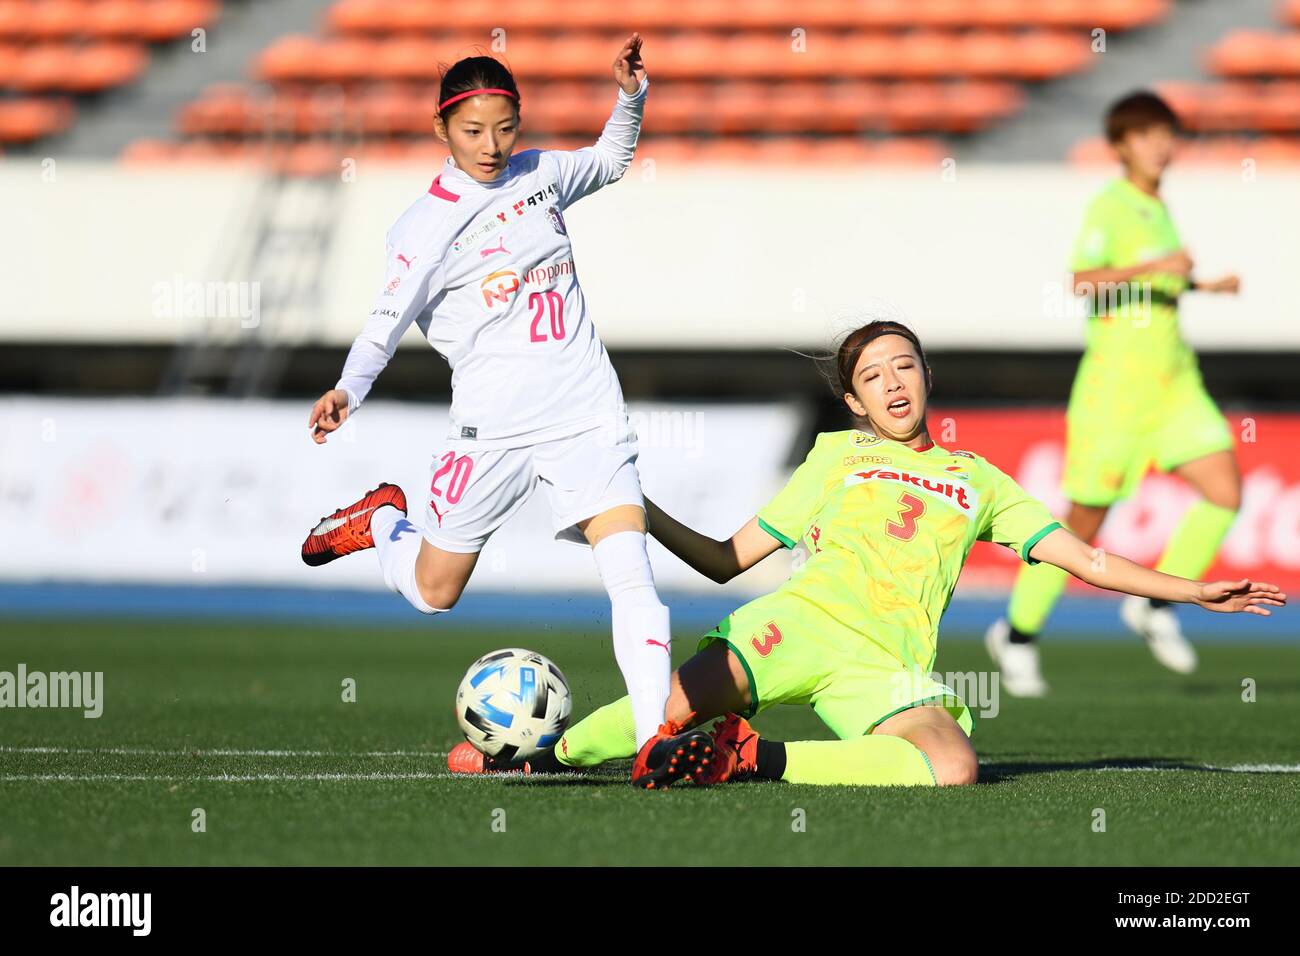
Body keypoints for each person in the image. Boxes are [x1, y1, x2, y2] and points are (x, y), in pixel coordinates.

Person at [450, 320, 1284, 788]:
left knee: (954, 765)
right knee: (661, 715)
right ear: (853, 400)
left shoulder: (980, 479)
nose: (894, 383)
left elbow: (1089, 560)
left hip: (886, 665)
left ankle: (755, 757)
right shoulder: (835, 456)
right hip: (796, 627)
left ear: (926, 376)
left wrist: (1190, 591)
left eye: (905, 365)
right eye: (874, 375)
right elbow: (724, 560)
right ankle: (535, 753)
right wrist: (641, 511)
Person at [300, 36, 677, 762]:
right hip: (492, 431)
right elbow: (386, 324)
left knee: (631, 574)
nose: (493, 145)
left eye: (506, 127)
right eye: (474, 130)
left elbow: (610, 159)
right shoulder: (423, 228)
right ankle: (382, 519)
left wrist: (631, 96)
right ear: (442, 130)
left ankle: (653, 741)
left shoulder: (541, 176)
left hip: (586, 414)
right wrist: (349, 387)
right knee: (434, 592)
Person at [987, 91, 1244, 696]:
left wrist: (1203, 283)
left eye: (1166, 133)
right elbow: (1083, 281)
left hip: (1175, 386)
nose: (1160, 144)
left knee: (1226, 492)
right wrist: (1155, 266)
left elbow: (1155, 281)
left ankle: (1155, 605)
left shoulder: (1159, 206)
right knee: (1082, 526)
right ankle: (1017, 634)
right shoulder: (1112, 205)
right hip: (1116, 393)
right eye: (1146, 134)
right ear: (1121, 144)